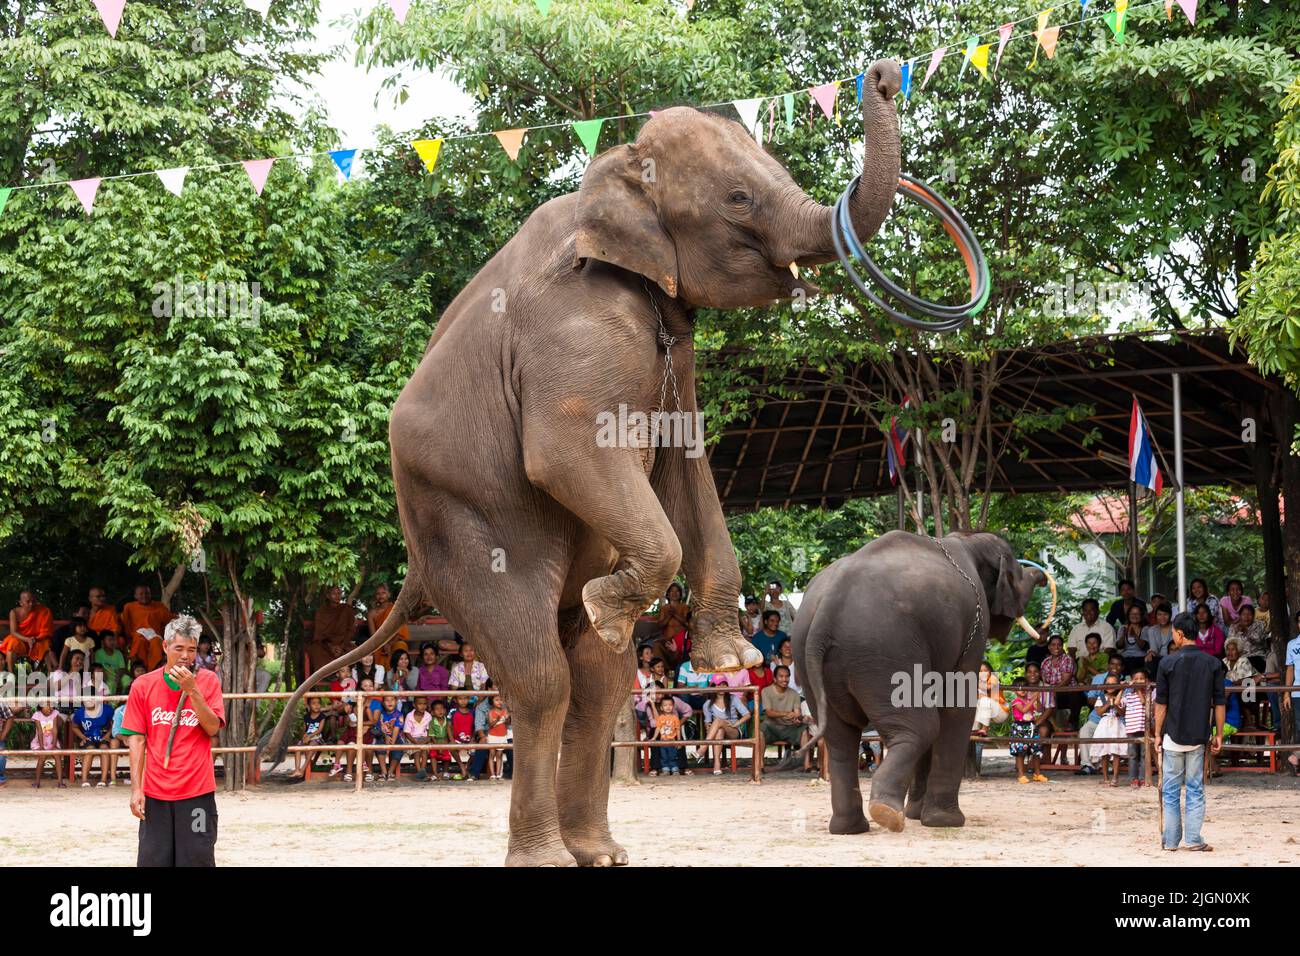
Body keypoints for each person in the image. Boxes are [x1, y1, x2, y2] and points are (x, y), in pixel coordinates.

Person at [122, 614, 225, 866]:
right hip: (156, 794)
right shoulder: (143, 685)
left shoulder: (208, 681)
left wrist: (192, 690)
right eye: (178, 648)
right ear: (166, 647)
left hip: (197, 793)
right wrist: (137, 788)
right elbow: (136, 740)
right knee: (153, 860)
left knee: (197, 859)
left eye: (191, 649)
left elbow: (212, 727)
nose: (185, 655)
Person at [1154, 611, 1225, 852]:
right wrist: (1219, 734)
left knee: (1171, 791)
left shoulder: (1166, 663)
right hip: (1198, 736)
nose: (1172, 636)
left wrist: (1156, 734)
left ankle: (1171, 841)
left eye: (1174, 631)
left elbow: (1161, 703)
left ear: (1180, 634)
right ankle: (1194, 840)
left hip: (1172, 736)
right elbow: (1219, 702)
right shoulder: (1213, 663)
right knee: (1195, 788)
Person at [120, 584, 174, 672]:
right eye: (141, 594)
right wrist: (127, 638)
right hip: (137, 635)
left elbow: (171, 620)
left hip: (155, 635)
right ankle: (141, 669)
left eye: (147, 593)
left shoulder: (159, 606)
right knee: (139, 641)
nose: (144, 596)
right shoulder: (129, 607)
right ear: (135, 596)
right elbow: (125, 623)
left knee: (156, 642)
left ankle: (152, 670)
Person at [309, 586, 358, 677]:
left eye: (339, 593)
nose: (337, 596)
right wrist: (331, 646)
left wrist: (341, 646)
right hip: (325, 644)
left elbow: (351, 630)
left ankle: (348, 675)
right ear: (328, 595)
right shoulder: (321, 611)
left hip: (343, 643)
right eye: (334, 594)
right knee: (316, 651)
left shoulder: (346, 609)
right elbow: (319, 634)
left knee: (355, 652)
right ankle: (329, 676)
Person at [2, 589, 56, 672]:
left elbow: (45, 631)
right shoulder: (14, 612)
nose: (31, 604)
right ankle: (11, 674)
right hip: (20, 641)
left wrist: (34, 639)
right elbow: (13, 632)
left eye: (33, 601)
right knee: (12, 644)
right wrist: (27, 639)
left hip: (37, 640)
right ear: (21, 603)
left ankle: (51, 672)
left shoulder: (43, 611)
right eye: (28, 602)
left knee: (46, 643)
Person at [1008, 675, 1048, 784]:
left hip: (1031, 726)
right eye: (1019, 688)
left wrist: (1038, 700)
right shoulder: (1016, 702)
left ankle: (1037, 774)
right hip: (1020, 727)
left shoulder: (1030, 700)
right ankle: (1021, 775)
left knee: (1036, 750)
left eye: (1025, 687)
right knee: (1020, 752)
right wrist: (1034, 698)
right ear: (1014, 690)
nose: (1023, 690)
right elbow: (1024, 710)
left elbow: (1039, 710)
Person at [759, 666, 806, 759]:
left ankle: (806, 765)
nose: (785, 679)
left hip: (789, 727)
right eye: (781, 676)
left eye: (787, 676)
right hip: (772, 727)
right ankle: (760, 764)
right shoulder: (766, 691)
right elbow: (768, 712)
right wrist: (785, 714)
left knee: (804, 730)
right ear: (775, 679)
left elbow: (797, 713)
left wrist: (797, 719)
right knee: (761, 729)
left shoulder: (794, 694)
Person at [703, 688, 750, 775]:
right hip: (718, 733)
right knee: (719, 730)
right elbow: (707, 723)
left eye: (724, 684)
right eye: (719, 685)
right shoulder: (708, 704)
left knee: (717, 721)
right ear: (713, 687)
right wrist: (708, 727)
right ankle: (717, 765)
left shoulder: (733, 698)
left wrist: (735, 724)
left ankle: (703, 748)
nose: (722, 687)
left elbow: (747, 715)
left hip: (733, 731)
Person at [1091, 675, 1126, 788]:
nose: (1110, 686)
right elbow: (1099, 712)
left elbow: (1122, 713)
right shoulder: (1101, 698)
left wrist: (1115, 704)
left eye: (1113, 684)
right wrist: (1108, 704)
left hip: (1116, 724)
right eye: (1108, 683)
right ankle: (1105, 778)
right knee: (1104, 752)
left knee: (1116, 752)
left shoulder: (1121, 698)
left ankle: (1115, 777)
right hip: (1104, 725)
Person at [72, 696, 115, 787]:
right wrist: (82, 737)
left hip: (103, 738)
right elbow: (74, 727)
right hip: (88, 739)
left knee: (104, 749)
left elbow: (115, 723)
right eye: (86, 699)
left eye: (92, 698)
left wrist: (108, 735)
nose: (89, 701)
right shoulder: (80, 712)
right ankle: (84, 781)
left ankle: (103, 781)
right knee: (90, 750)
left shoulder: (107, 710)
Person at [366, 583, 410, 669]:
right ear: (375, 596)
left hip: (395, 641)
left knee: (401, 647)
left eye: (383, 593)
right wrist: (383, 645)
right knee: (374, 651)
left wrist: (390, 644)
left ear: (389, 594)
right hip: (379, 643)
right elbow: (373, 636)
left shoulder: (396, 609)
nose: (380, 596)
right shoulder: (372, 613)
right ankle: (380, 678)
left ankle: (400, 676)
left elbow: (399, 632)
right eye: (378, 594)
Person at [1040, 636, 1077, 730]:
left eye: (1059, 645)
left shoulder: (1067, 659)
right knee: (1042, 697)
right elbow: (1045, 682)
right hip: (1052, 691)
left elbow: (1066, 681)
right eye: (1053, 645)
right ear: (1049, 647)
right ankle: (1047, 725)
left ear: (1062, 647)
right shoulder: (1045, 662)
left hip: (1067, 690)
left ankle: (1061, 727)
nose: (1056, 647)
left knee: (1052, 697)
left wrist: (1053, 691)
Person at [1122, 671, 1150, 787]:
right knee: (1133, 755)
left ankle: (1143, 778)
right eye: (1136, 679)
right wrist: (1121, 688)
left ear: (1146, 681)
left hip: (1144, 728)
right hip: (1131, 729)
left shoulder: (1148, 693)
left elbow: (1143, 702)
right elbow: (1119, 703)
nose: (1138, 681)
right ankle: (1133, 778)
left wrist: (1137, 689)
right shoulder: (1128, 695)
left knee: (1144, 754)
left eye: (1141, 678)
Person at [289, 697, 329, 780]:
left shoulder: (322, 716)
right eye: (313, 703)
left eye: (318, 703)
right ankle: (297, 769)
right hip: (308, 736)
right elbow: (305, 729)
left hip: (317, 737)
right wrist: (304, 736)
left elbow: (319, 730)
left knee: (311, 746)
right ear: (309, 705)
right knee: (297, 748)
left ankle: (302, 770)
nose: (316, 705)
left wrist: (310, 736)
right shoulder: (306, 716)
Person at [652, 583, 690, 670]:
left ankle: (679, 670)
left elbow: (687, 624)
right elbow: (659, 626)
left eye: (677, 591)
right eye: (672, 591)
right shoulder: (664, 608)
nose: (674, 593)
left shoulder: (685, 607)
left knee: (680, 648)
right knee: (657, 645)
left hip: (680, 641)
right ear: (668, 595)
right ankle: (663, 670)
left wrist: (675, 614)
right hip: (666, 640)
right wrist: (668, 616)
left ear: (681, 594)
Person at [31, 700, 65, 788]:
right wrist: (42, 748)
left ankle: (60, 782)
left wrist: (53, 745)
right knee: (42, 757)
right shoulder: (37, 715)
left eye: (51, 705)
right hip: (40, 741)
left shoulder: (55, 713)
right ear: (40, 707)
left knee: (57, 755)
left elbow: (55, 730)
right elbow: (40, 732)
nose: (49, 708)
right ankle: (37, 782)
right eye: (46, 706)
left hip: (52, 740)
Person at [1228, 604, 1269, 675]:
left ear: (1253, 616)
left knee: (1247, 663)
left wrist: (1246, 631)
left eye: (1249, 614)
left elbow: (1258, 640)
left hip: (1256, 656)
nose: (1246, 617)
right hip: (1238, 657)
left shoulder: (1260, 625)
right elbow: (1229, 643)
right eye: (1244, 614)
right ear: (1240, 616)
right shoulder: (1234, 626)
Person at [1283, 610, 1300, 774]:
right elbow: (1290, 669)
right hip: (1297, 692)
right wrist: (1287, 693)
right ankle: (1295, 756)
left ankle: (1295, 755)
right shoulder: (1292, 644)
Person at [373, 695, 404, 781]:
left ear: (396, 702)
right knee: (379, 746)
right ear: (383, 703)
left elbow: (396, 730)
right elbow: (378, 728)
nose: (390, 702)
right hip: (383, 736)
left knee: (398, 748)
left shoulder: (399, 715)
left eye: (392, 700)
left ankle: (390, 772)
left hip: (395, 737)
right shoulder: (380, 714)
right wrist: (385, 736)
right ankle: (384, 772)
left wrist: (390, 746)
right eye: (387, 700)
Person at [649, 697, 683, 776]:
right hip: (663, 741)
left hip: (672, 741)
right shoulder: (660, 718)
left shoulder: (675, 718)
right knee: (664, 756)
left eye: (670, 705)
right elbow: (658, 728)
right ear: (661, 707)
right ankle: (665, 769)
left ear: (673, 706)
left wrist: (679, 740)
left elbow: (678, 729)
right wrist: (654, 737)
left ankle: (674, 769)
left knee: (673, 755)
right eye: (665, 705)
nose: (668, 707)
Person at [972, 661, 1007, 735]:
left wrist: (975, 683)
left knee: (984, 700)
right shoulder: (980, 682)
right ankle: (974, 729)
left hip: (1001, 711)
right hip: (991, 713)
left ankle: (985, 728)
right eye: (980, 671)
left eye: (986, 671)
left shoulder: (993, 678)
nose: (983, 673)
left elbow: (990, 687)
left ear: (990, 671)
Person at [403, 696, 433, 780]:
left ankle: (421, 772)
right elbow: (407, 733)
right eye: (420, 704)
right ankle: (420, 772)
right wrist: (415, 742)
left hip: (424, 739)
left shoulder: (428, 716)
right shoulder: (409, 716)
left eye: (424, 704)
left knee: (424, 752)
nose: (423, 706)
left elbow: (430, 731)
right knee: (417, 752)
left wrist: (426, 740)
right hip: (412, 739)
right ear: (414, 705)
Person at [1115, 604, 1149, 676]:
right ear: (1128, 615)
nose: (1134, 616)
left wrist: (1135, 636)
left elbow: (1144, 647)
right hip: (1126, 658)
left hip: (1140, 658)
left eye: (1137, 614)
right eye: (1132, 614)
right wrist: (1124, 635)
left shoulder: (1145, 629)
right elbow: (1119, 646)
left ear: (1141, 616)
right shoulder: (1122, 628)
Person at [1141, 603, 1174, 675]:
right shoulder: (1152, 630)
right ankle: (1153, 684)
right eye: (1159, 614)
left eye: (1165, 614)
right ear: (1156, 616)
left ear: (1170, 615)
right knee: (1149, 659)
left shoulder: (1175, 628)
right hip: (1159, 657)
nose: (1162, 617)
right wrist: (1151, 653)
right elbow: (1154, 649)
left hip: (1173, 655)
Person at [449, 694, 476, 780]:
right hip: (457, 739)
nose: (463, 701)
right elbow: (448, 727)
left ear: (469, 699)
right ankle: (462, 766)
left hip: (469, 739)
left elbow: (475, 727)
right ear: (455, 700)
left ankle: (467, 766)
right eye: (460, 698)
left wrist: (472, 739)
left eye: (465, 698)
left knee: (476, 750)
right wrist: (452, 740)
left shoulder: (472, 711)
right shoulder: (453, 711)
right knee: (451, 746)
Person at [485, 694, 510, 780]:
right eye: (497, 700)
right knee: (492, 754)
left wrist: (507, 719)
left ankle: (498, 774)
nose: (500, 702)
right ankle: (492, 774)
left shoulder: (505, 711)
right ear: (492, 702)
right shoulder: (490, 712)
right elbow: (490, 725)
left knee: (499, 755)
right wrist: (497, 719)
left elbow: (507, 724)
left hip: (502, 735)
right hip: (493, 735)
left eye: (501, 700)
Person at [428, 699, 453, 780]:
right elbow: (432, 736)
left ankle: (446, 772)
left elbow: (450, 735)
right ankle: (435, 773)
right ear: (432, 712)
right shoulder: (432, 722)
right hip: (435, 743)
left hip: (445, 742)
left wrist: (444, 745)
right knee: (433, 756)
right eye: (437, 709)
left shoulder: (448, 721)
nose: (440, 711)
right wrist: (438, 746)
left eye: (442, 708)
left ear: (445, 710)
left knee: (446, 757)